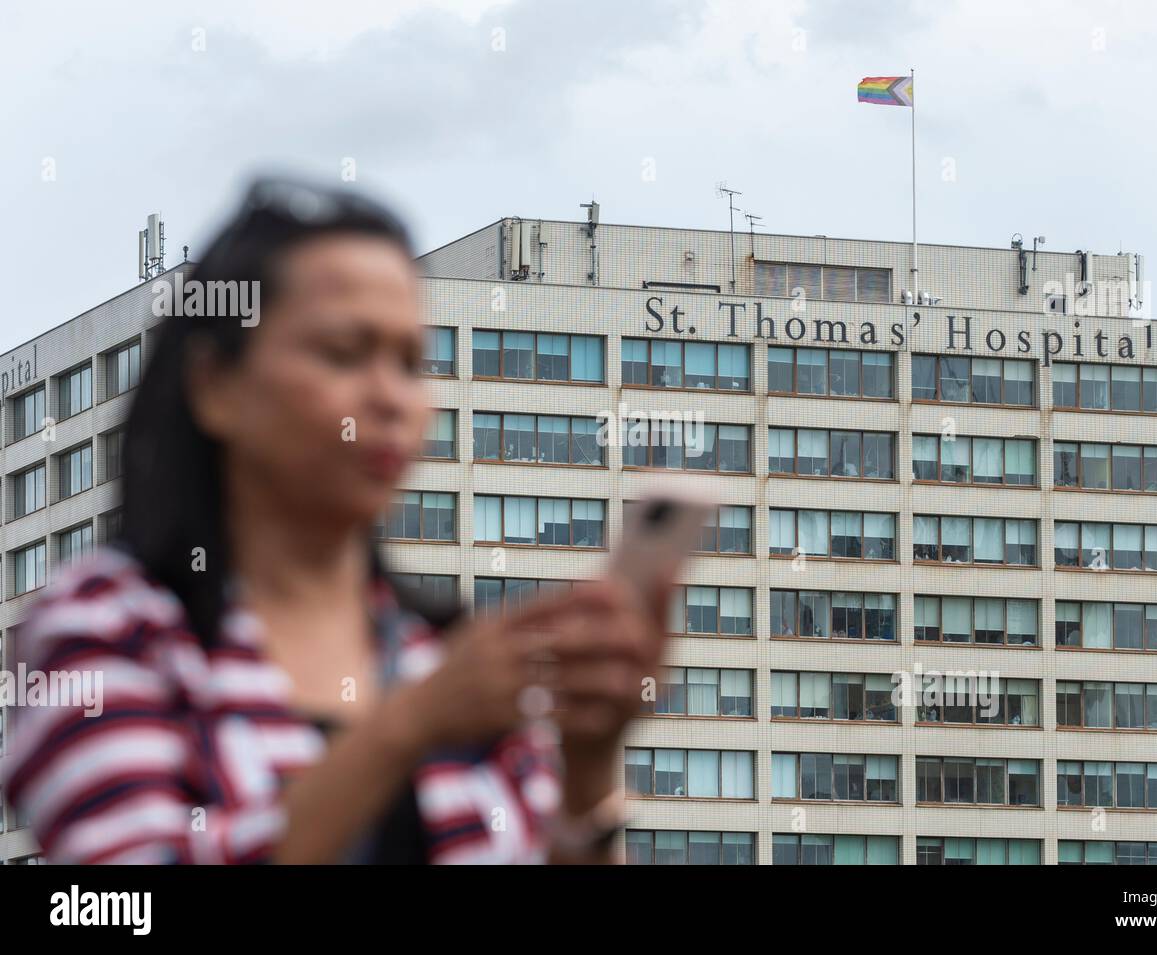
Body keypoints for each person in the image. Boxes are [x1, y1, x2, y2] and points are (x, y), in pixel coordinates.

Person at [3, 177, 670, 864]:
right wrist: (405, 727)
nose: (389, 397)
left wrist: (588, 768)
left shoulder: (438, 653)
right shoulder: (109, 627)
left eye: (410, 362)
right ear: (215, 385)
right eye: (344, 353)